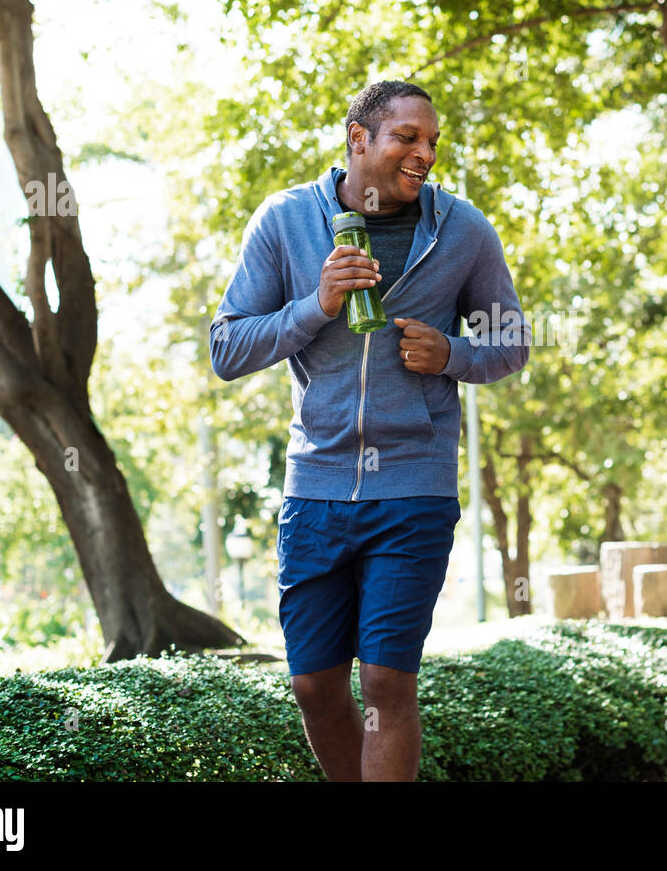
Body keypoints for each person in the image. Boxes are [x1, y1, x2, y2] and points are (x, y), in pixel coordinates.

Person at [209, 80, 529, 781]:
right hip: (316, 488)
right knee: (315, 687)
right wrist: (316, 304)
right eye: (407, 138)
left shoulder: (463, 230)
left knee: (386, 685)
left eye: (432, 142)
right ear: (359, 138)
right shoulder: (285, 219)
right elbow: (227, 348)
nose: (425, 154)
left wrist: (453, 354)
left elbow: (512, 343)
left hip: (413, 486)